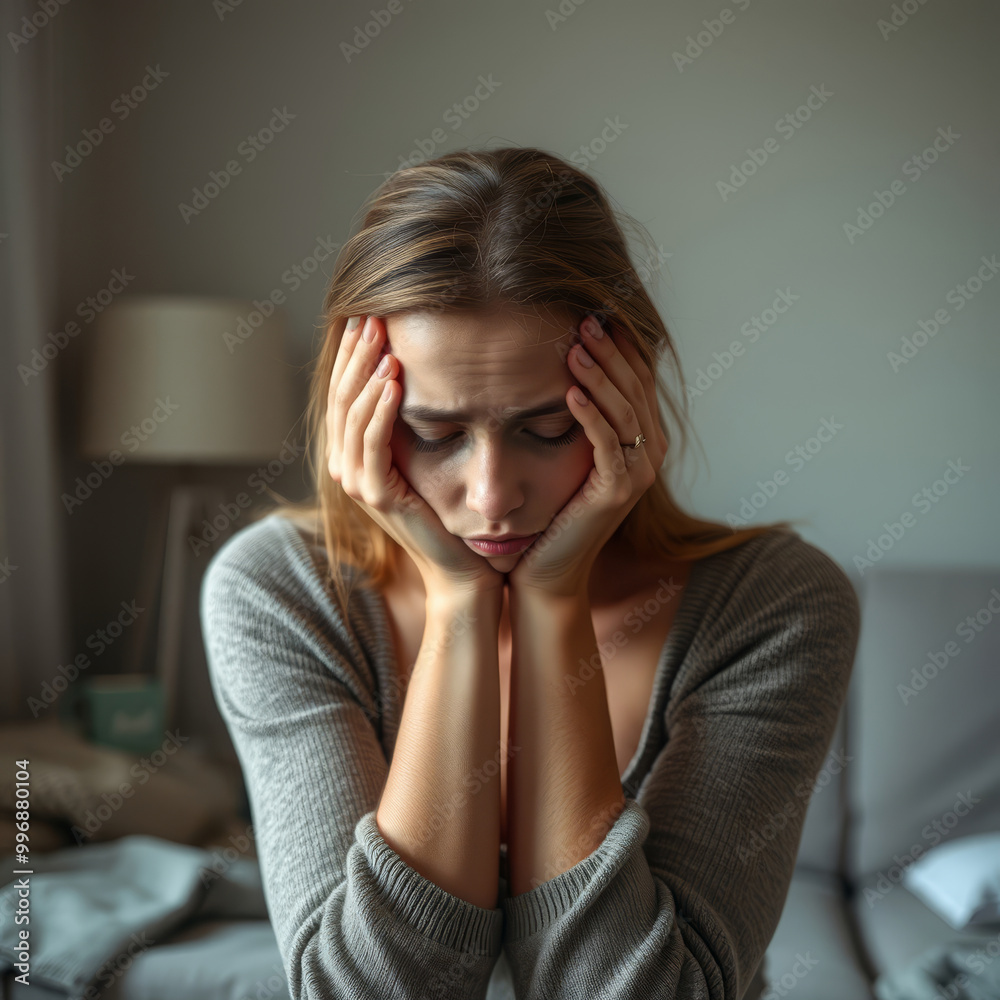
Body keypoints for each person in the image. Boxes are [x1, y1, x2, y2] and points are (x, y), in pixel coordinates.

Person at [200, 147, 861, 1000]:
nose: (492, 498)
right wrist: (460, 605)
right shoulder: (279, 593)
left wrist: (551, 600)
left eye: (547, 429)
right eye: (434, 434)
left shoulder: (775, 608)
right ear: (353, 407)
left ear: (629, 393)